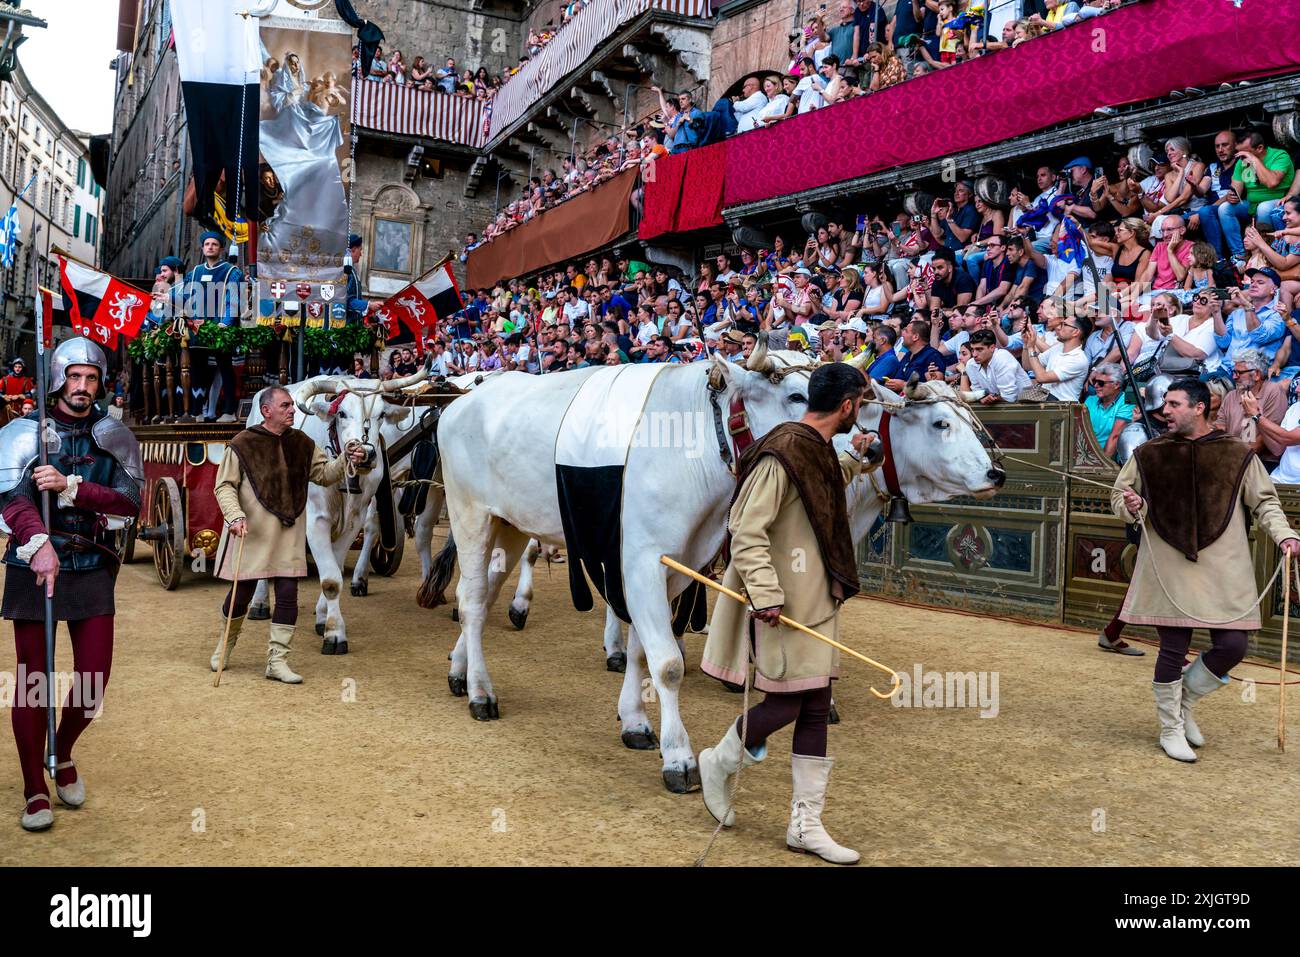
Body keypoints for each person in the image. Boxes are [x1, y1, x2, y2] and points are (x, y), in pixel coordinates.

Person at [699, 362, 878, 864]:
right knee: (786, 703)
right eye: (860, 405)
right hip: (782, 605)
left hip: (818, 602)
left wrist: (855, 462)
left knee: (814, 705)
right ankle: (720, 760)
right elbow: (746, 527)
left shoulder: (815, 448)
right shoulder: (783, 452)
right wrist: (766, 594)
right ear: (847, 406)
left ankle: (805, 825)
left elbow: (817, 489)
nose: (859, 413)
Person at [1113, 378, 1300, 762]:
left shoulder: (1237, 453)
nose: (1166, 410)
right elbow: (1120, 495)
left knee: (1233, 645)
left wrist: (1284, 535)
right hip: (1168, 562)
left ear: (1200, 407)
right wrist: (1131, 504)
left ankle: (1183, 703)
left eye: (1175, 404)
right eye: (1165, 404)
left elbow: (1265, 502)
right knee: (1172, 648)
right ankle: (1170, 728)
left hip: (1223, 565)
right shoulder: (1148, 453)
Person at [0, 338, 143, 831]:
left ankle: (60, 751)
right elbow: (9, 499)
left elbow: (129, 501)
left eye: (92, 378)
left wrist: (74, 488)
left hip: (90, 563)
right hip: (31, 564)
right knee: (33, 681)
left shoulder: (114, 434)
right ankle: (34, 789)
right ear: (59, 378)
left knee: (93, 681)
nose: (82, 388)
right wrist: (37, 540)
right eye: (74, 377)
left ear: (101, 382)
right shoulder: (24, 432)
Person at [208, 387, 366, 684]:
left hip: (288, 532)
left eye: (292, 405)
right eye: (285, 406)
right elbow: (224, 486)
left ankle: (277, 661)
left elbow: (324, 474)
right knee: (240, 596)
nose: (292, 410)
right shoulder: (243, 444)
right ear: (267, 411)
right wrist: (235, 515)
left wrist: (347, 459)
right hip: (251, 531)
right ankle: (224, 647)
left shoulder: (303, 443)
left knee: (287, 597)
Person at [178, 231, 244, 422]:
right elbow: (186, 297)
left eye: (214, 244)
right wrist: (168, 297)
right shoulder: (195, 272)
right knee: (198, 370)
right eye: (207, 244)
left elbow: (234, 301)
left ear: (221, 248)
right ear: (202, 247)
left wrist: (225, 322)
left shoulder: (231, 272)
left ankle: (229, 411)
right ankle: (197, 411)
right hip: (198, 328)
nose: (210, 247)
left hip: (221, 329)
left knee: (225, 368)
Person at [1, 357, 34, 422]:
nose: (17, 369)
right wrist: (4, 396)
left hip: (21, 409)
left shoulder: (26, 380)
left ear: (22, 368)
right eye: (16, 367)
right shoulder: (5, 379)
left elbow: (30, 394)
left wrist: (19, 396)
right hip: (7, 408)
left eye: (19, 367)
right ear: (13, 368)